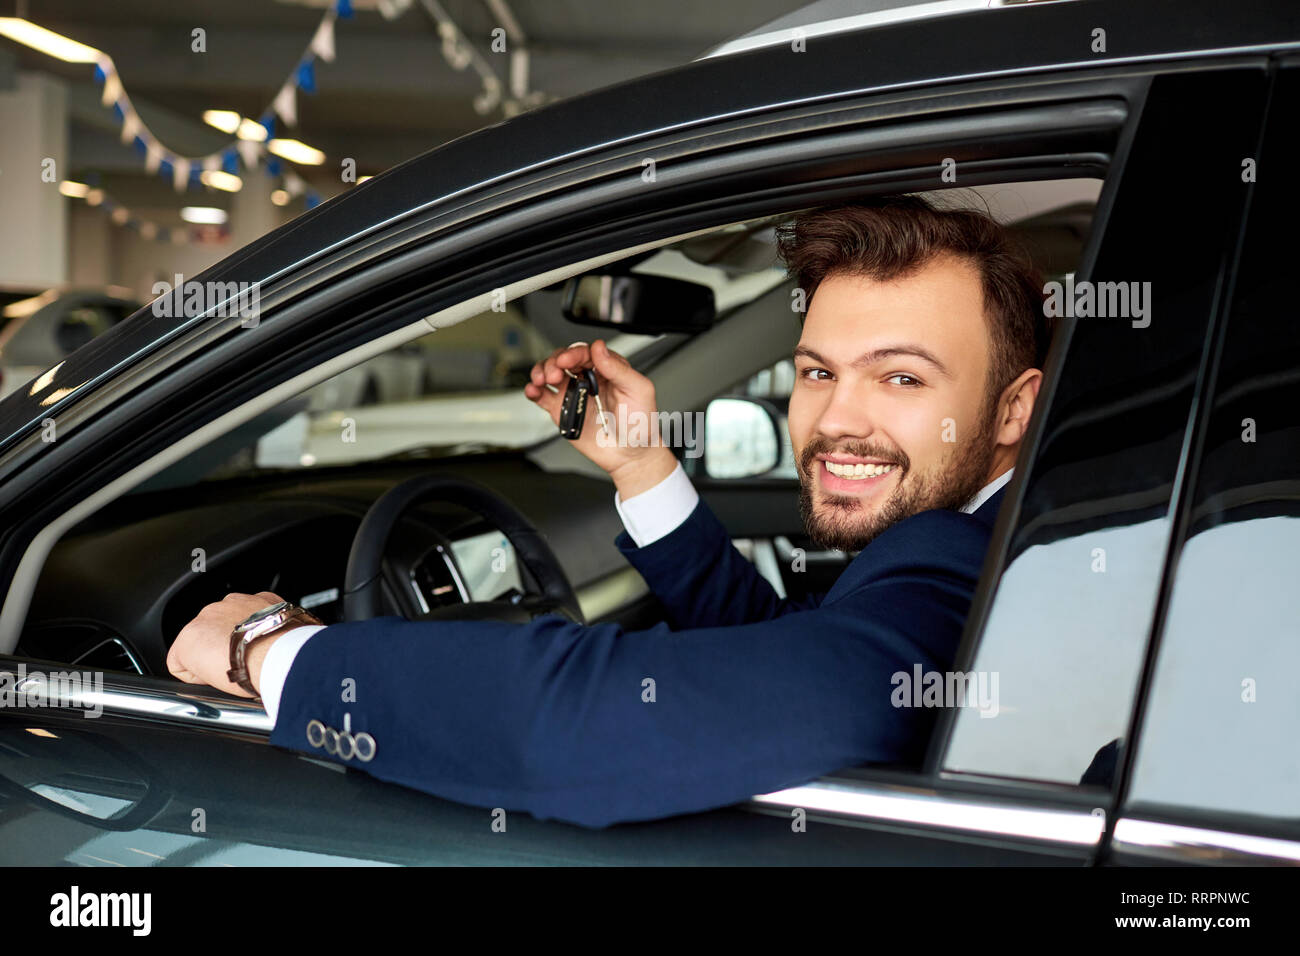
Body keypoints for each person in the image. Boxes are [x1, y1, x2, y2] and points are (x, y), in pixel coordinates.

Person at [166, 195, 1046, 827]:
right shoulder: (963, 551)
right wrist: (642, 467)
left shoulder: (965, 563)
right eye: (819, 371)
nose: (839, 420)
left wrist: (274, 652)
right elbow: (792, 654)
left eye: (901, 377)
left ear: (1014, 409)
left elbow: (594, 729)